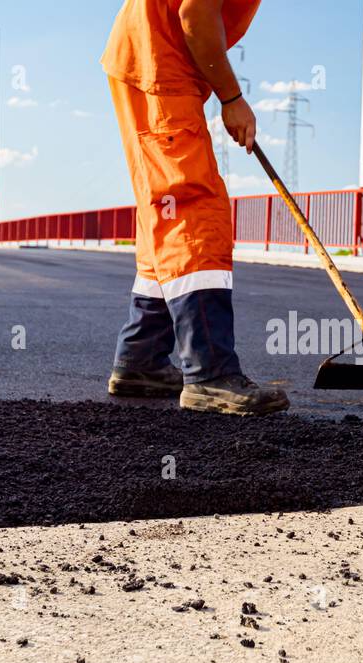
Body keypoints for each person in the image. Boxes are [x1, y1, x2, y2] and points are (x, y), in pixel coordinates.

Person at [101, 0, 287, 416]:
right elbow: (196, 15)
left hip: (149, 58)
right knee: (193, 207)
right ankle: (211, 374)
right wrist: (232, 97)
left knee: (164, 212)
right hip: (157, 63)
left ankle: (142, 360)